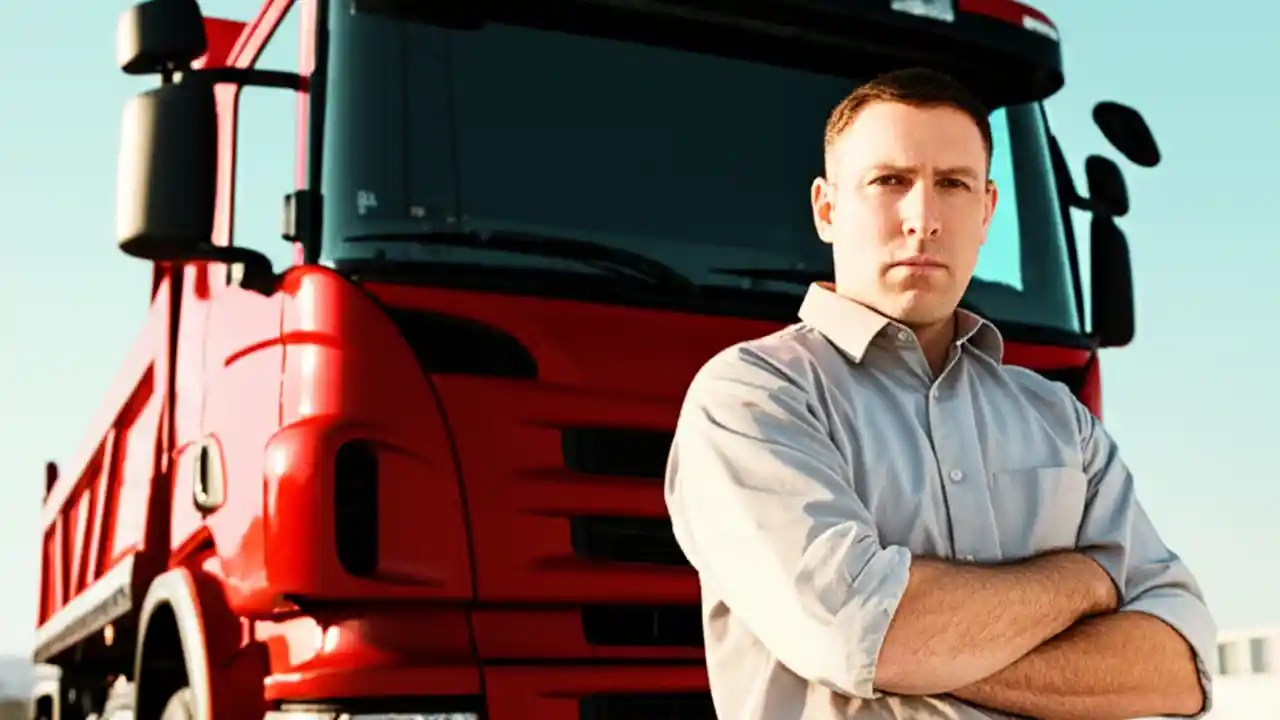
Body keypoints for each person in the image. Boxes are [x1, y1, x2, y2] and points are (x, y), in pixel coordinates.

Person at [663, 68, 1216, 719]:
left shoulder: (1060, 421)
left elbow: (1179, 669)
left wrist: (939, 644)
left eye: (952, 185)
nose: (923, 218)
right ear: (827, 209)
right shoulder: (754, 398)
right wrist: (1084, 580)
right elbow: (865, 637)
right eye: (890, 181)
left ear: (985, 212)